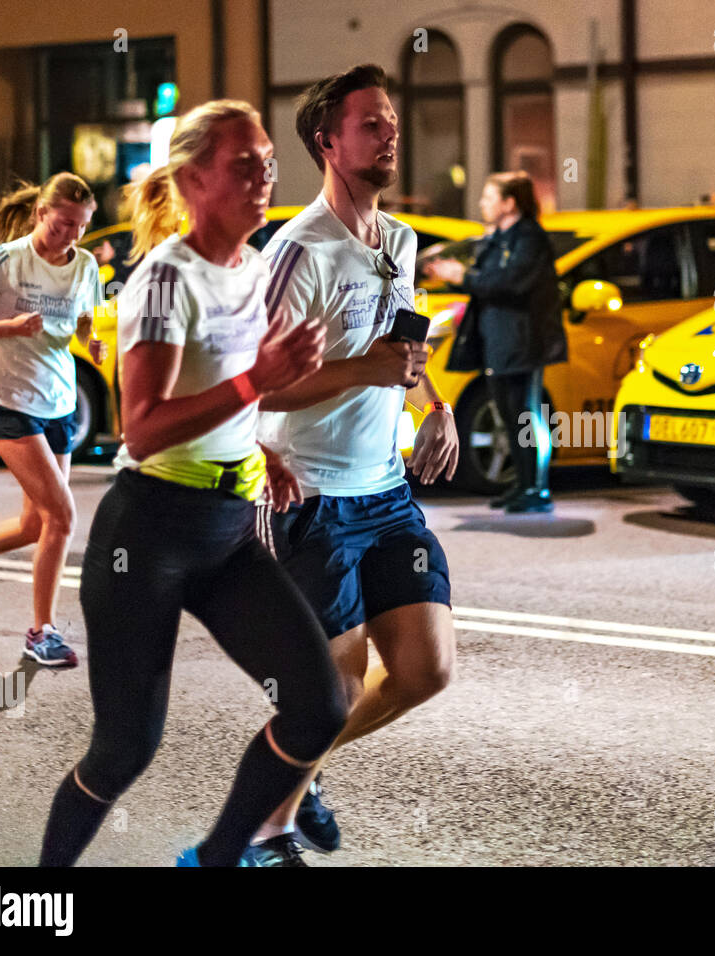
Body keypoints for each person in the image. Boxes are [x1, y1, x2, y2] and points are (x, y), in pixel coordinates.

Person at [38, 99, 348, 867]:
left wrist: (258, 449)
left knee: (318, 708)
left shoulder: (250, 265)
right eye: (243, 165)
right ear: (192, 179)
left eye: (269, 162)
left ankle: (218, 857)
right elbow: (141, 426)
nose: (263, 177)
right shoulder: (164, 280)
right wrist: (255, 384)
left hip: (230, 530)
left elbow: (230, 390)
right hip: (147, 535)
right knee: (122, 752)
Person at [245, 64, 460, 865]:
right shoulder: (298, 254)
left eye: (392, 120)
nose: (390, 132)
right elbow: (261, 388)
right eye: (372, 122)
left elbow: (402, 354)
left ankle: (303, 776)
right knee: (330, 691)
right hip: (315, 498)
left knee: (426, 668)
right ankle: (263, 832)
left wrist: (432, 407)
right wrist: (366, 372)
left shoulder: (399, 241)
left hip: (388, 494)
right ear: (327, 142)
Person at [0, 173, 108, 666]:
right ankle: (41, 632)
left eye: (80, 227)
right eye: (62, 225)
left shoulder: (86, 268)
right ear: (41, 214)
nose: (70, 237)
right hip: (10, 403)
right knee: (63, 517)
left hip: (58, 404)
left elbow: (82, 319)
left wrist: (91, 341)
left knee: (37, 522)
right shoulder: (4, 263)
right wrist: (9, 326)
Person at [426, 171, 567, 513]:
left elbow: (510, 282)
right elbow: (486, 281)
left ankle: (536, 488)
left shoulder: (529, 238)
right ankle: (520, 483)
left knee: (523, 414)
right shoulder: (498, 237)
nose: (482, 204)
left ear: (509, 203)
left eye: (489, 198)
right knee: (507, 413)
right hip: (497, 339)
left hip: (522, 340)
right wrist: (455, 276)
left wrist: (463, 276)